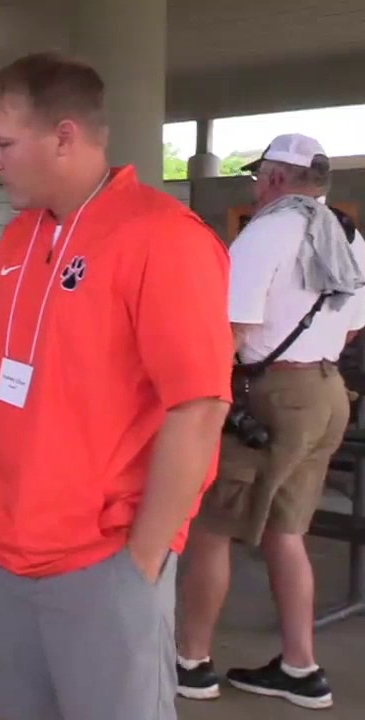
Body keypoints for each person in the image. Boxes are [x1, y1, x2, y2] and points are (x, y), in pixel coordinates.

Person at [0, 51, 233, 720]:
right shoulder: (21, 237)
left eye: (2, 143)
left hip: (98, 564)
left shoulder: (162, 238)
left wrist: (141, 563)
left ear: (64, 136)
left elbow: (197, 409)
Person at [176, 134, 365, 710]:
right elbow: (354, 325)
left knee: (212, 527)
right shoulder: (351, 235)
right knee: (287, 533)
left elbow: (229, 328)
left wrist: (196, 395)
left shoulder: (266, 231)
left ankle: (191, 662)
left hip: (266, 395)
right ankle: (300, 668)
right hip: (327, 391)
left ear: (278, 179)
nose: (256, 188)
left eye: (260, 178)